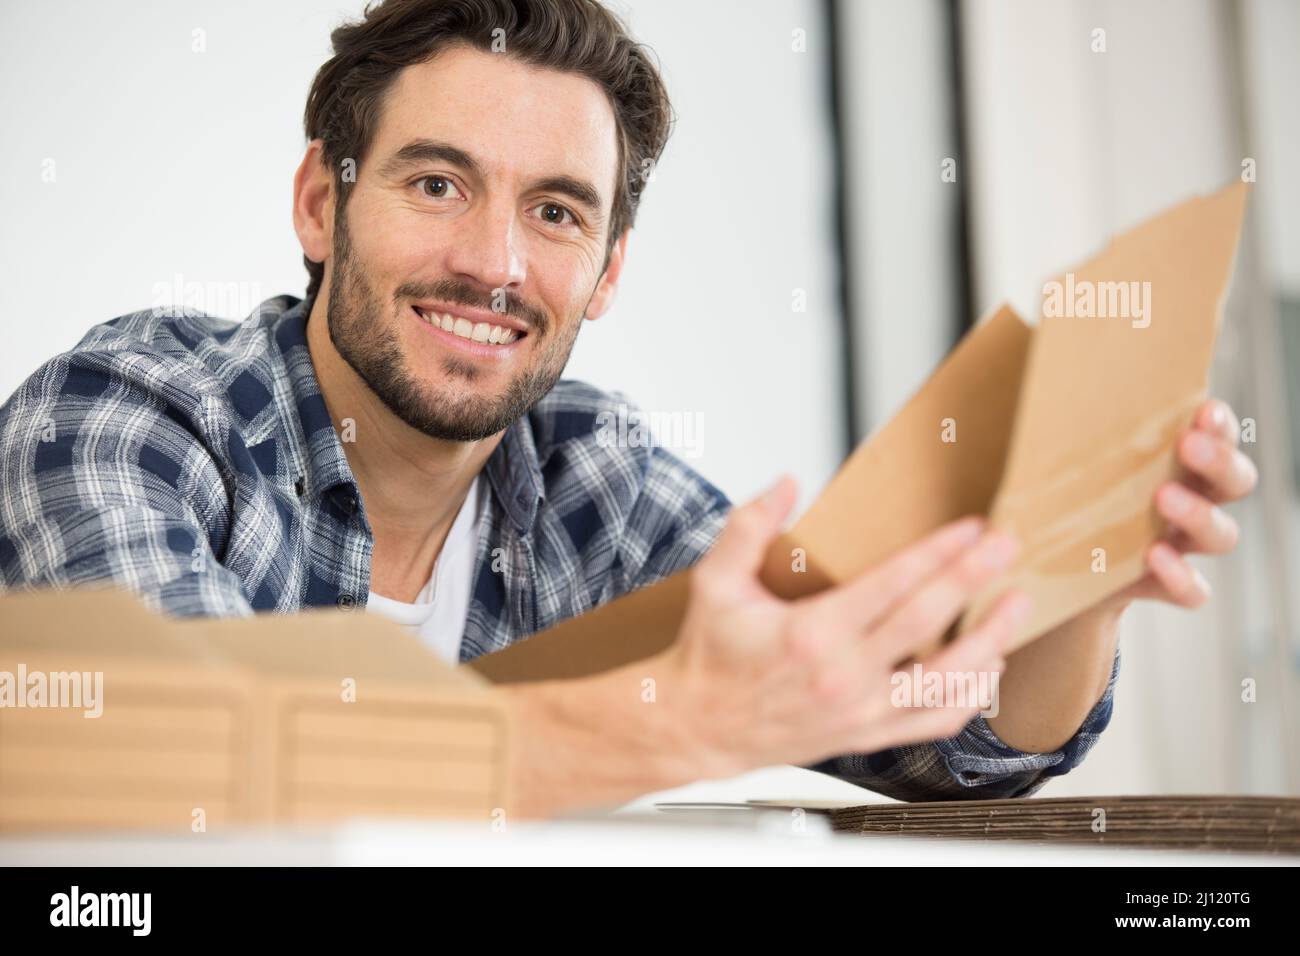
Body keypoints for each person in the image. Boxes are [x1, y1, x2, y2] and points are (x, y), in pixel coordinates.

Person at [0, 0, 1257, 817]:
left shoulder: (590, 475)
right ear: (321, 208)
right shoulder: (132, 415)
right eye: (438, 182)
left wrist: (1080, 564)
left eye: (556, 211)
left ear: (605, 272)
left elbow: (952, 738)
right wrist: (672, 724)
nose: (493, 262)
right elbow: (185, 775)